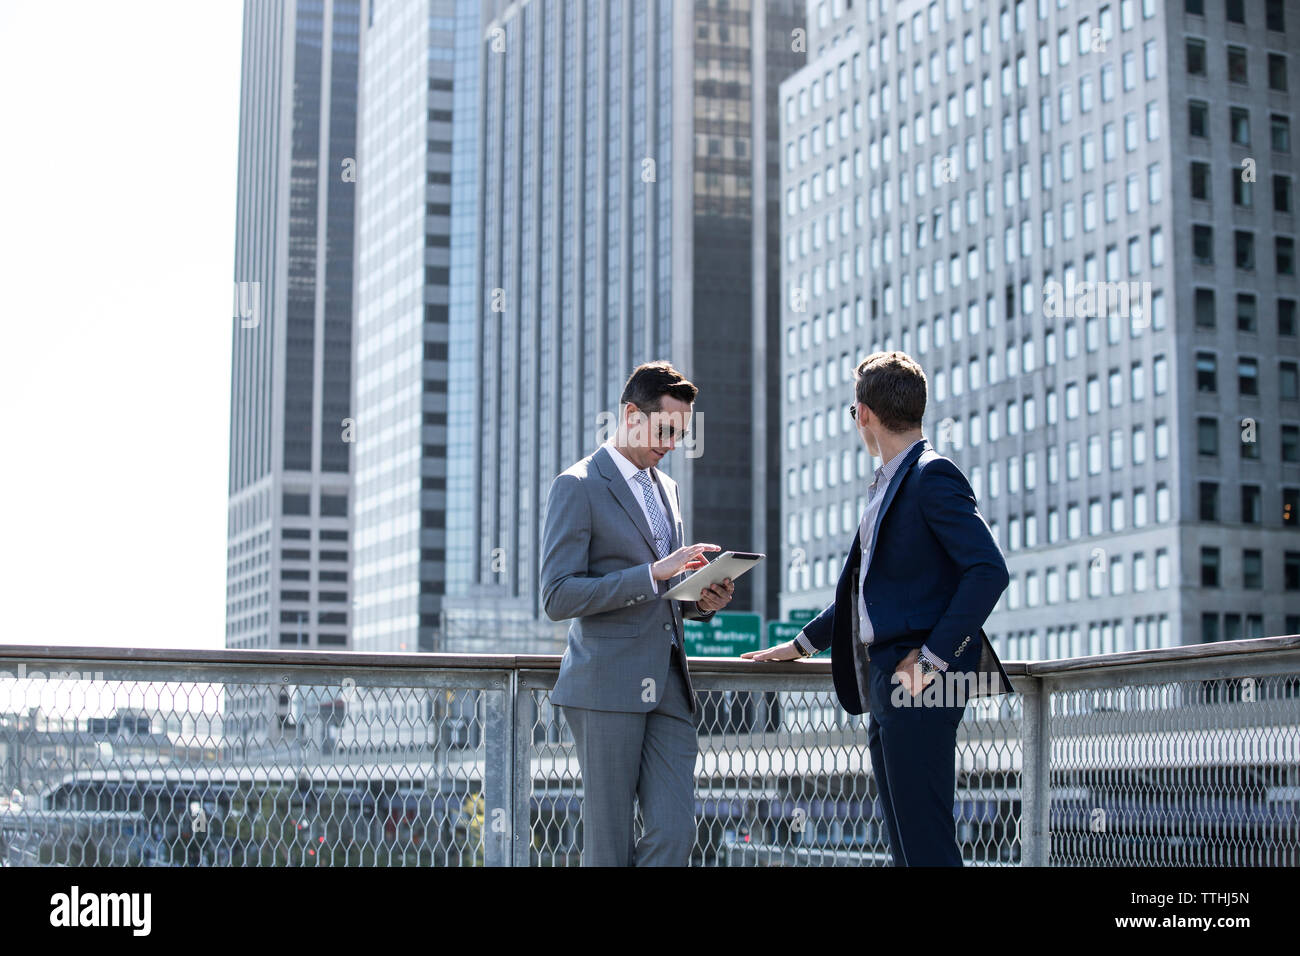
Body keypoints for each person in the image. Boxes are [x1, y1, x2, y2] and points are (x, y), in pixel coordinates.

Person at [743, 351, 1011, 866]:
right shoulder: (893, 481)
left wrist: (930, 660)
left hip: (920, 677)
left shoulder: (932, 475)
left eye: (852, 412)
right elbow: (866, 592)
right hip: (891, 676)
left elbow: (989, 571)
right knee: (908, 847)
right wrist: (800, 645)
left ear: (863, 413)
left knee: (926, 845)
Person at [541, 360, 734, 866]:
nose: (673, 443)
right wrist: (652, 574)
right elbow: (557, 596)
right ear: (630, 414)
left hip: (670, 684)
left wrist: (700, 599)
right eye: (666, 429)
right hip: (605, 684)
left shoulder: (666, 489)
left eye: (682, 433)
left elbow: (666, 592)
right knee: (608, 846)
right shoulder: (577, 485)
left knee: (675, 832)